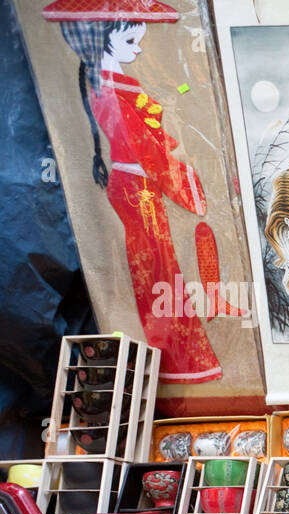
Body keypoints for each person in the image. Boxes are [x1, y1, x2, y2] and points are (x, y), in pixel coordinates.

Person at [42, 0, 242, 383]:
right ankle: (177, 362)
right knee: (156, 272)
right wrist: (183, 181)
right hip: (138, 186)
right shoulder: (107, 89)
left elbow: (150, 140)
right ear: (103, 38)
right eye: (130, 41)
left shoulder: (116, 83)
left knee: (159, 270)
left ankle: (181, 360)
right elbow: (143, 147)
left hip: (141, 183)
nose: (138, 50)